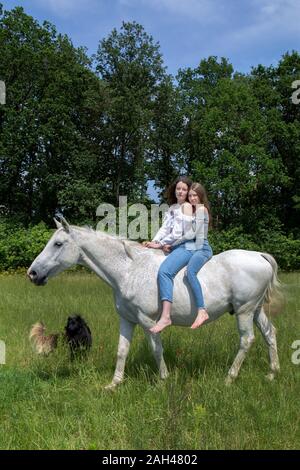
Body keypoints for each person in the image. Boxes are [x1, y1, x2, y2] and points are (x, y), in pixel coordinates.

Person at [145, 182, 213, 333]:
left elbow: (190, 235)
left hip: (197, 246)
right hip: (190, 245)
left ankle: (175, 315)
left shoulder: (199, 210)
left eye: (194, 195)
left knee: (170, 272)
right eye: (191, 195)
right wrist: (158, 242)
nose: (192, 198)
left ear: (201, 196)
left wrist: (165, 243)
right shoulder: (191, 209)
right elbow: (168, 228)